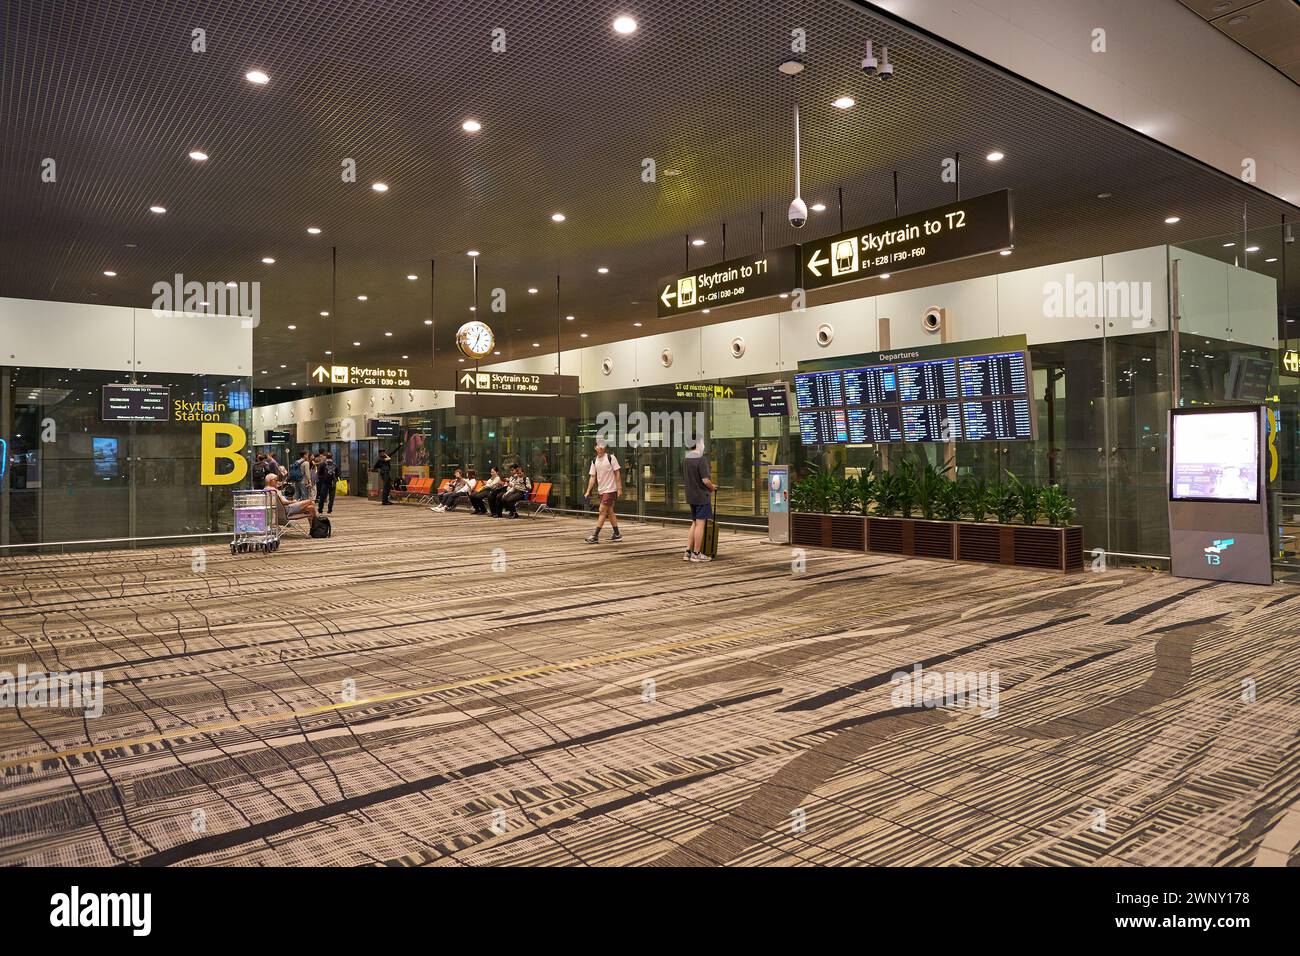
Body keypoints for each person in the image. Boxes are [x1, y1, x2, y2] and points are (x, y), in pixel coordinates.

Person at [582, 438, 622, 543]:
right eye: (598, 446)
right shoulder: (594, 461)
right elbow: (592, 477)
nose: (600, 447)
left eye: (602, 446)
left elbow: (617, 473)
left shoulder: (610, 458)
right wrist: (587, 491)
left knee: (602, 510)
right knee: (610, 511)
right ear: (595, 447)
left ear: (605, 447)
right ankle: (617, 534)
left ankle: (595, 536)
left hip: (610, 490)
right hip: (602, 490)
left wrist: (619, 488)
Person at [682, 439, 716, 563]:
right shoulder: (700, 459)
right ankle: (696, 553)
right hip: (701, 496)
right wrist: (712, 488)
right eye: (702, 442)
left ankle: (688, 551)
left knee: (694, 523)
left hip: (691, 495)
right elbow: (705, 480)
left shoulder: (686, 459)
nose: (704, 445)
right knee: (700, 524)